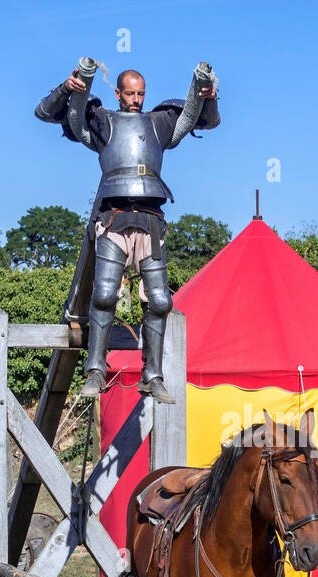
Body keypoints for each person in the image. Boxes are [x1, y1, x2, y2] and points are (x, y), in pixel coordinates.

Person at [35, 59, 220, 403]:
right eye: (130, 94)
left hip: (151, 215)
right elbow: (46, 113)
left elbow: (205, 119)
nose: (136, 100)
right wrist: (69, 88)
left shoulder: (159, 123)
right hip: (114, 215)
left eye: (141, 94)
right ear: (118, 93)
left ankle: (153, 375)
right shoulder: (103, 121)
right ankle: (95, 370)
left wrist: (206, 94)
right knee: (104, 296)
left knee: (161, 301)